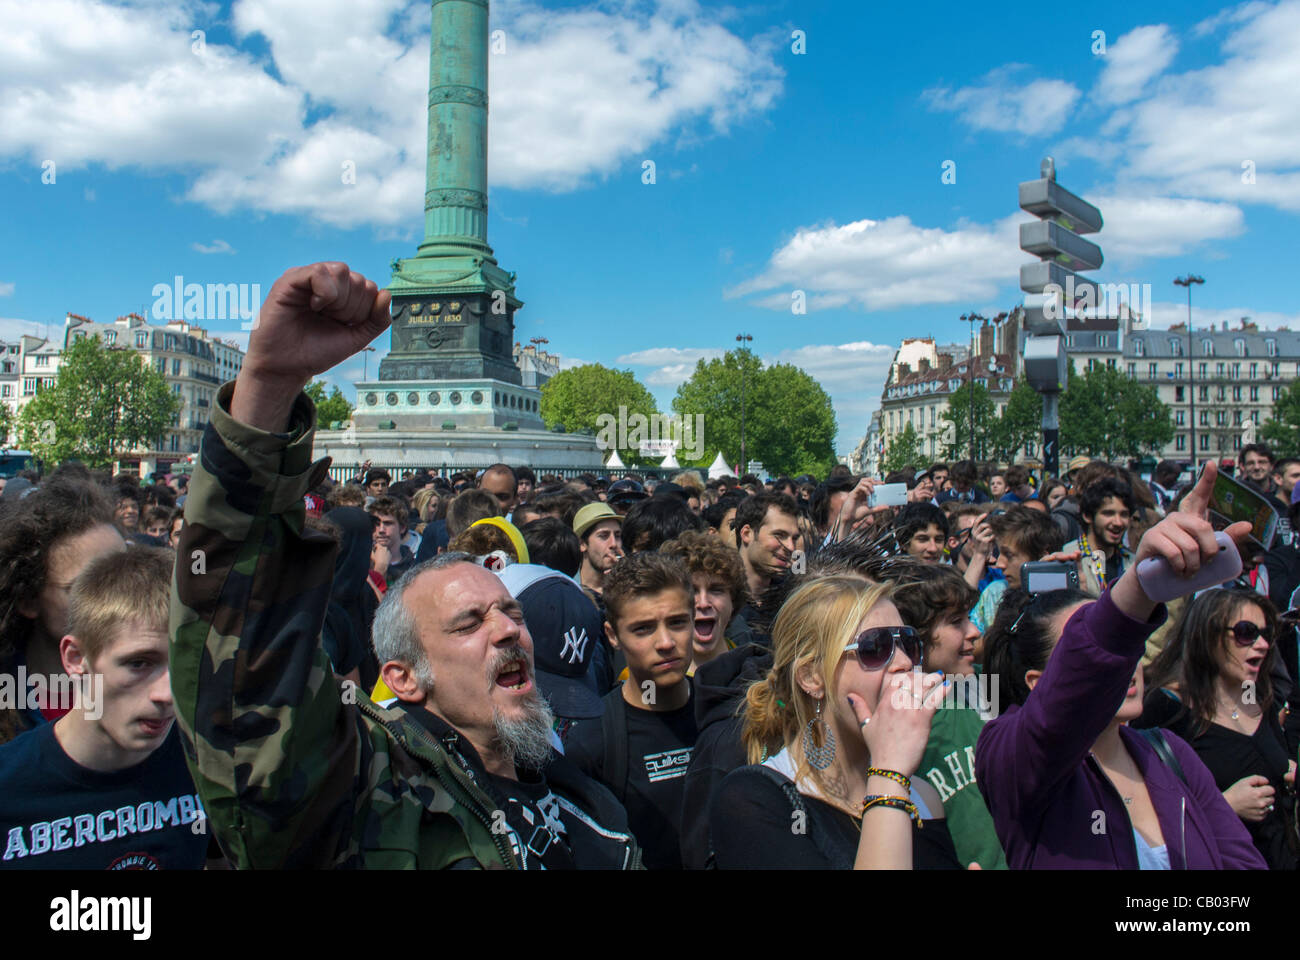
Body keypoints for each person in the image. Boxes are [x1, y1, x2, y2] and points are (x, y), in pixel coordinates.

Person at [170, 261, 640, 869]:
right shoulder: (366, 800)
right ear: (404, 679)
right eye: (469, 623)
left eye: (509, 610)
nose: (507, 629)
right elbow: (238, 665)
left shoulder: (588, 800)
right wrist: (267, 386)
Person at [976, 462, 1267, 869]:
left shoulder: (1170, 753)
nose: (1121, 663)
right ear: (1039, 682)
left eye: (1125, 647)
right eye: (1093, 652)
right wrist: (1137, 588)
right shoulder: (1009, 760)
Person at [708, 575, 960, 869]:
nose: (904, 661)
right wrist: (889, 773)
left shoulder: (923, 799)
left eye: (908, 643)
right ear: (811, 677)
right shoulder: (752, 801)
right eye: (875, 647)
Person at [0, 548, 209, 869]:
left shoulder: (208, 767)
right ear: (75, 658)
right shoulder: (10, 789)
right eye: (138, 663)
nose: (167, 694)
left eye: (182, 664)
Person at [1138, 588, 1297, 869]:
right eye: (1247, 632)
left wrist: (1286, 771)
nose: (1261, 644)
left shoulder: (1259, 696)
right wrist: (1223, 807)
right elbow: (1137, 812)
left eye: (1267, 633)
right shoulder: (1167, 708)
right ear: (1208, 637)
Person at [564, 553, 699, 870]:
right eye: (643, 629)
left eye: (677, 622)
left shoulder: (728, 715)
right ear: (613, 636)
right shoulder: (591, 745)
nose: (665, 642)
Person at [891, 563, 1008, 869]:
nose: (974, 631)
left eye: (969, 617)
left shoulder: (984, 687)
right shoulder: (893, 721)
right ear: (915, 636)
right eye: (957, 621)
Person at [0, 478, 127, 746]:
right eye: (88, 586)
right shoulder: (10, 702)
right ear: (28, 599)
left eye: (130, 579)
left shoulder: (165, 688)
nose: (122, 600)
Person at [659, 530, 749, 670]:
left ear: (733, 601)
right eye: (692, 591)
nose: (703, 603)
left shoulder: (755, 671)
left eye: (716, 590)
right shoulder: (644, 680)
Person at [971, 506, 1064, 631]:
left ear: (1042, 556)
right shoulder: (995, 594)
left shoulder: (1068, 603)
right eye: (999, 553)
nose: (999, 564)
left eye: (1008, 555)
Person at [1064, 477, 1135, 597]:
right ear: (1087, 516)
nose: (1118, 522)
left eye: (1124, 514)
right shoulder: (1067, 558)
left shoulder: (1133, 562)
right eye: (1108, 513)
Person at [574, 502, 624, 597]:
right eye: (603, 536)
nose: (613, 544)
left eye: (617, 536)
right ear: (582, 544)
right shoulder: (569, 589)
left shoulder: (625, 587)